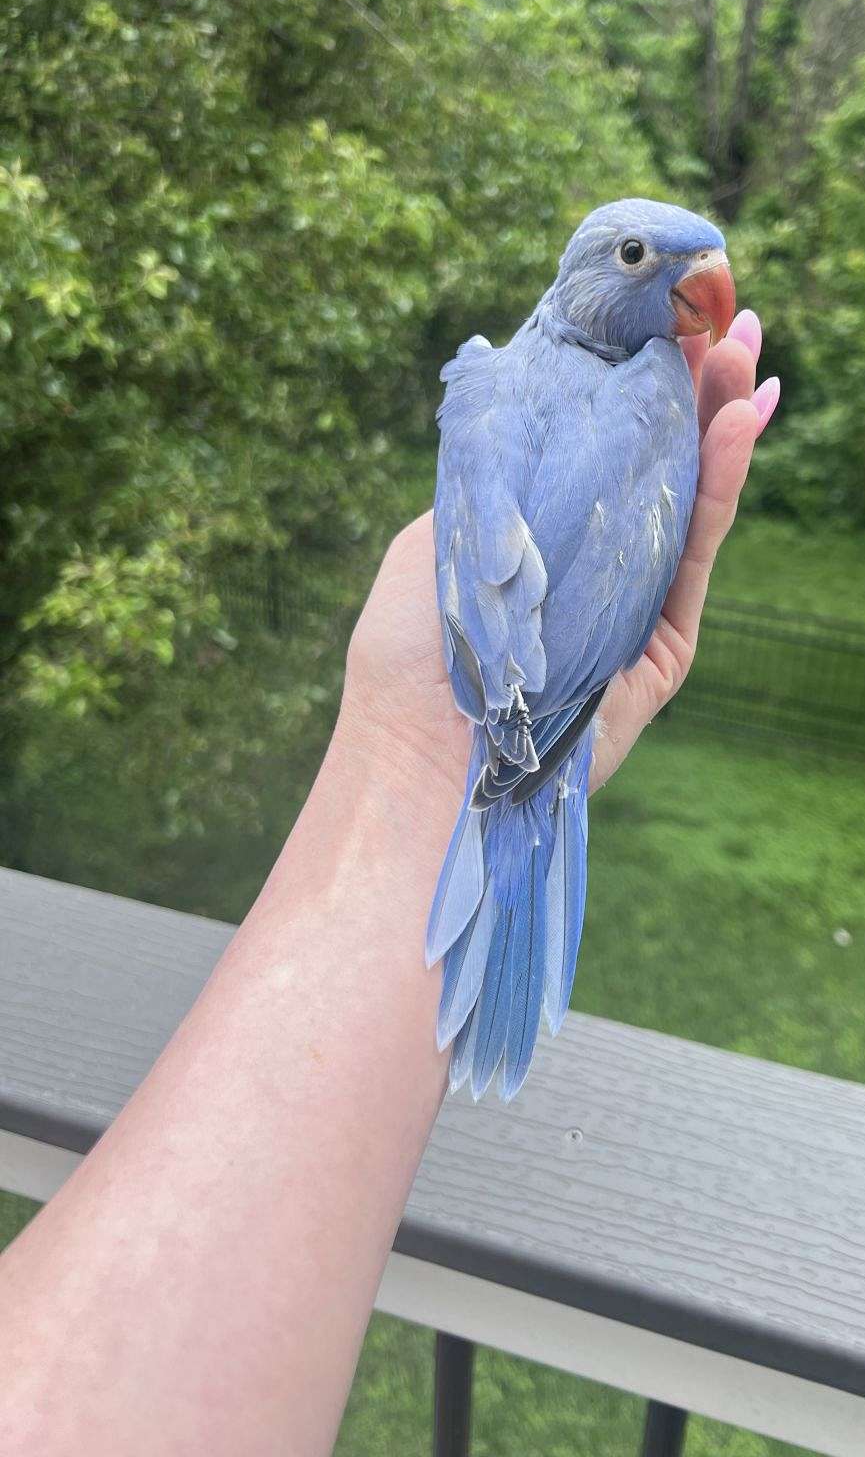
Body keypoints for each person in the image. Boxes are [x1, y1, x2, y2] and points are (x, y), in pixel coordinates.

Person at [0, 314, 778, 1455]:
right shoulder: (532, 389)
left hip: (515, 703)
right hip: (530, 716)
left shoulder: (509, 387)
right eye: (640, 261)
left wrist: (456, 756)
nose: (685, 290)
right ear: (594, 278)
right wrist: (486, 751)